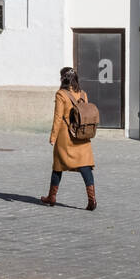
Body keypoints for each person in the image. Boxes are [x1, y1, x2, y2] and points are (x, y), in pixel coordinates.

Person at [40, 67, 97, 210]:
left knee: (58, 166)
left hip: (66, 136)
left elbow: (58, 117)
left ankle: (52, 197)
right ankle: (92, 200)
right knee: (85, 166)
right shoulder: (83, 94)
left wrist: (53, 136)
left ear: (63, 79)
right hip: (82, 136)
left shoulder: (61, 94)